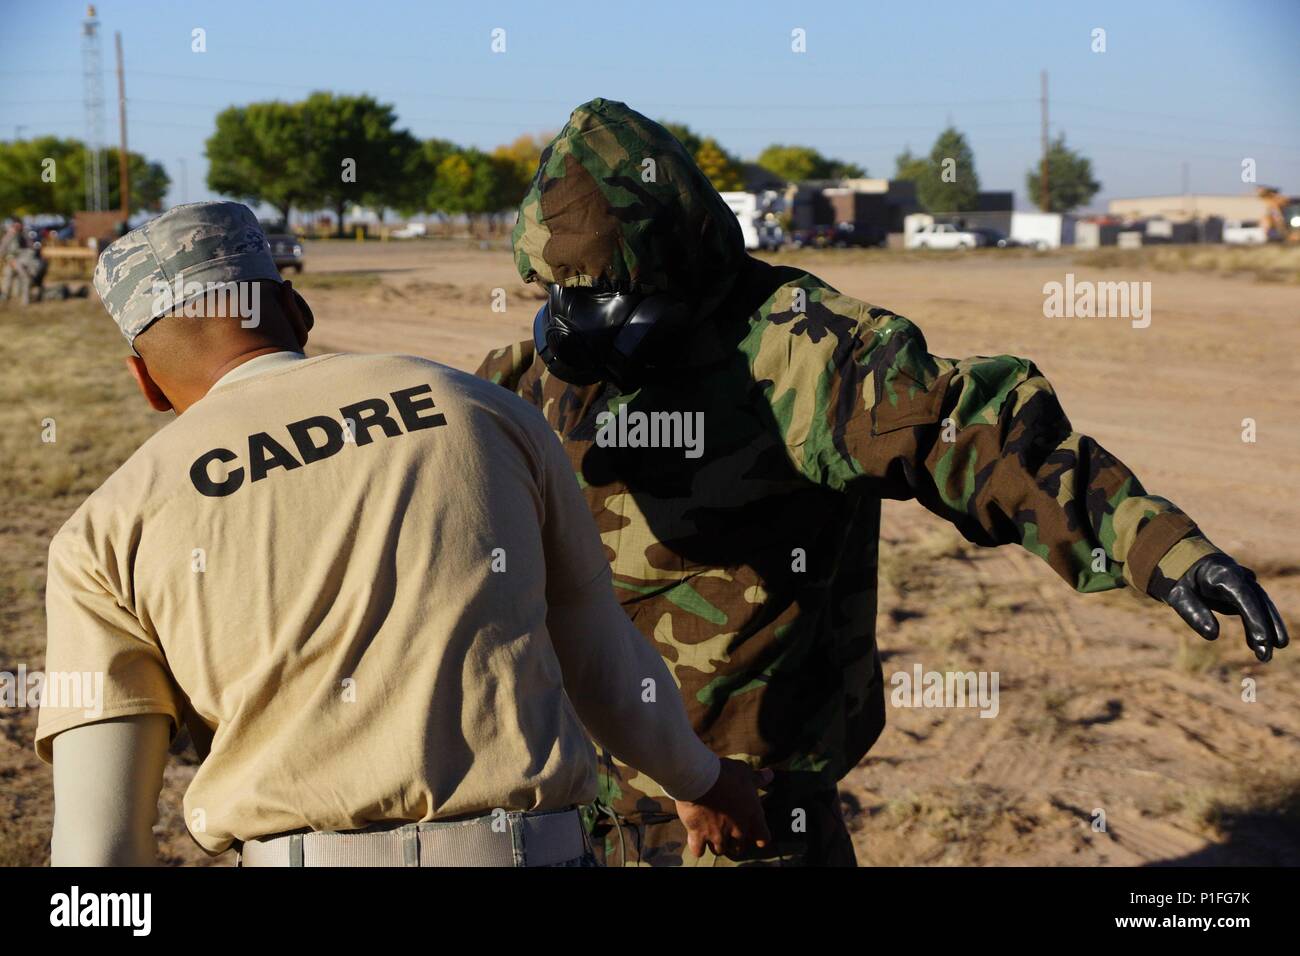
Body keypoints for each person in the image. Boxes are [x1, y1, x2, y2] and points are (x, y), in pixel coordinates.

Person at [476, 98, 1290, 866]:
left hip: (741, 804)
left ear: (671, 267)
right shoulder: (535, 376)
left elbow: (980, 434)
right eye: (559, 295)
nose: (572, 317)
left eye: (599, 293)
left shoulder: (801, 350)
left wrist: (1158, 544)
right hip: (581, 788)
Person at [36, 201, 770, 867]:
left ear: (145, 380)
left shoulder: (104, 530)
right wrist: (700, 779)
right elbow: (598, 651)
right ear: (297, 309)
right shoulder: (479, 409)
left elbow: (98, 849)